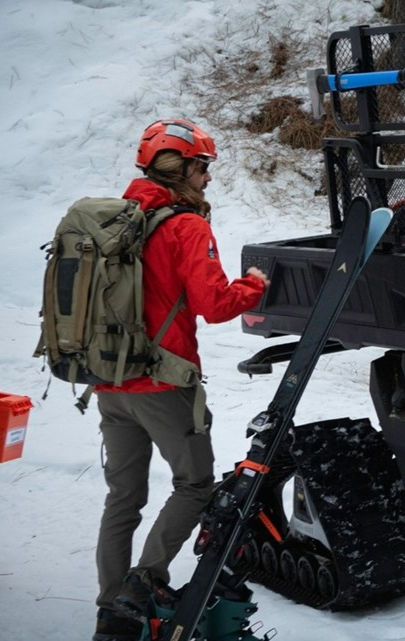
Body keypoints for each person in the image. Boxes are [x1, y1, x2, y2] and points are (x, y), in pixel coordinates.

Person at [91, 119, 270, 641]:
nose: (209, 177)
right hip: (164, 384)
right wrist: (253, 286)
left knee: (123, 496)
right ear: (184, 168)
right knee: (193, 485)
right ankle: (141, 587)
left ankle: (112, 612)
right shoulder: (185, 225)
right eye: (204, 166)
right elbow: (214, 304)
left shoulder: (118, 218)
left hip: (110, 380)